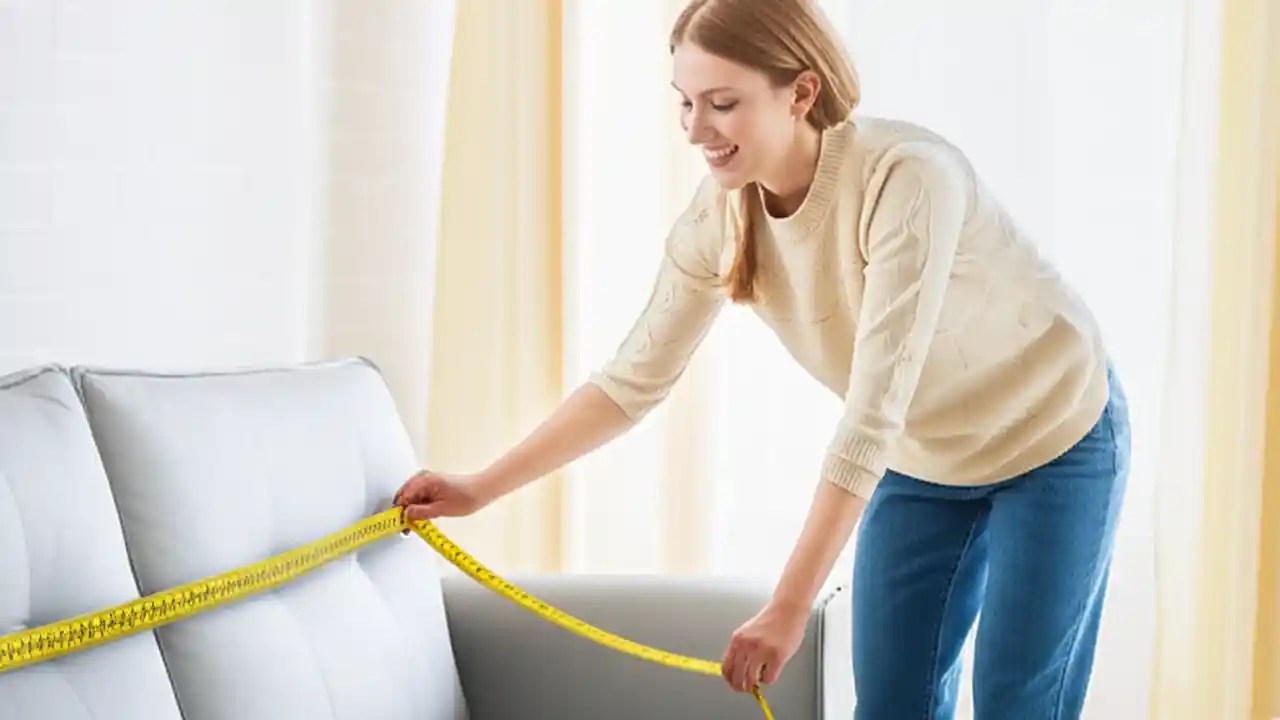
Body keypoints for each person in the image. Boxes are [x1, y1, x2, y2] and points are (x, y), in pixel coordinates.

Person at [394, 0, 1131, 716]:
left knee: (1016, 701)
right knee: (891, 703)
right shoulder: (721, 216)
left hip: (1053, 439)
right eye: (685, 103)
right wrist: (480, 488)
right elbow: (629, 384)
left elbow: (872, 415)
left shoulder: (907, 179)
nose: (696, 130)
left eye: (722, 103)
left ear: (800, 92)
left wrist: (788, 608)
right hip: (925, 461)